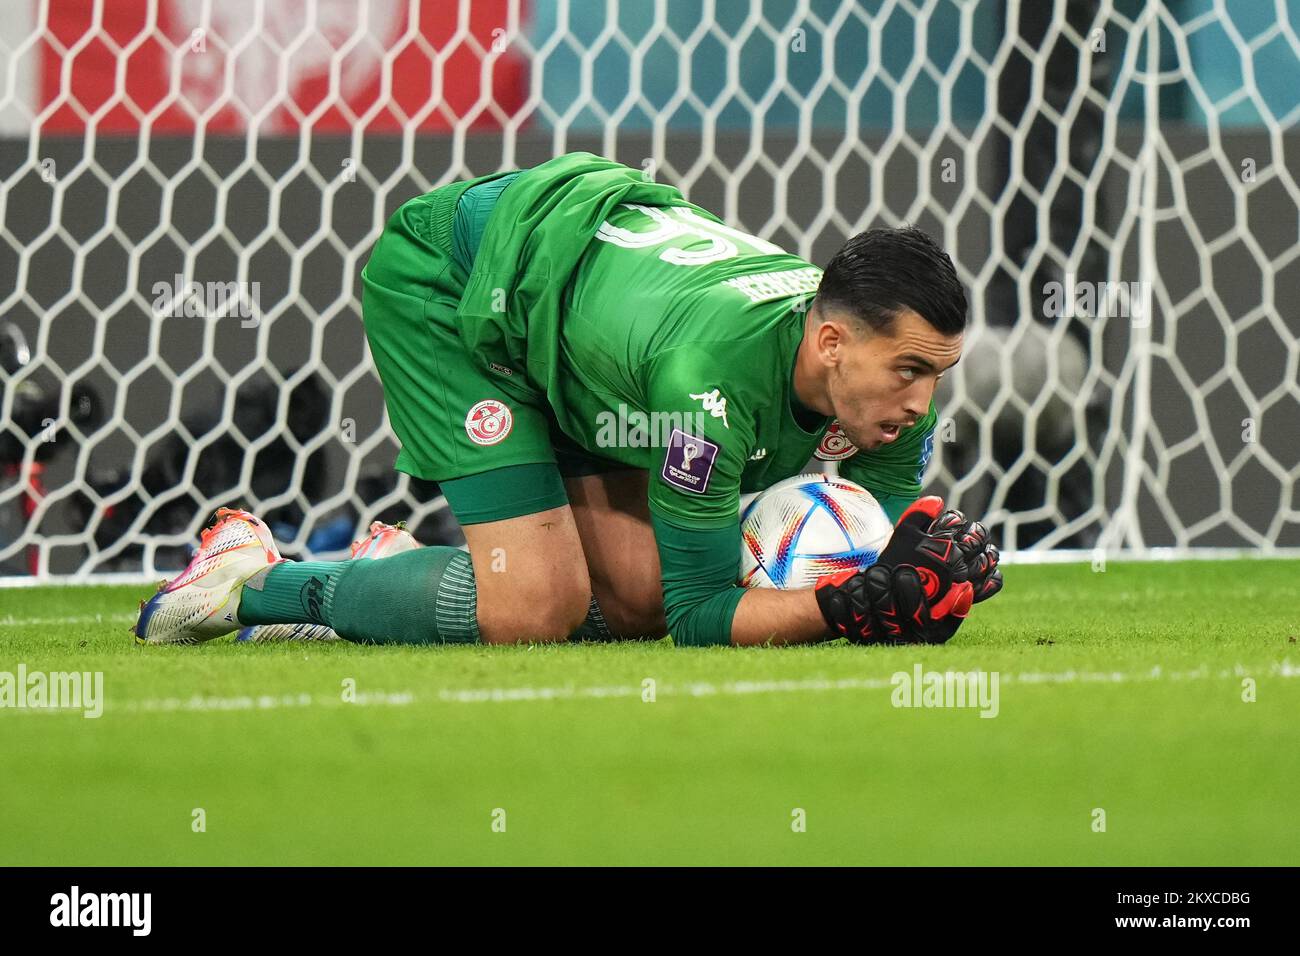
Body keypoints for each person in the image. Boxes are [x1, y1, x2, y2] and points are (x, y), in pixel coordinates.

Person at [134, 152, 1001, 648]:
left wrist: (920, 580)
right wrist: (844, 610)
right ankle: (261, 582)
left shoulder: (870, 376)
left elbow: (885, 548)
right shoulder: (711, 382)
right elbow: (703, 620)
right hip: (461, 287)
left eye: (937, 375)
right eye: (910, 372)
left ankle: (396, 569)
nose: (922, 404)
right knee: (533, 608)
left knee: (633, 602)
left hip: (587, 325)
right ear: (831, 342)